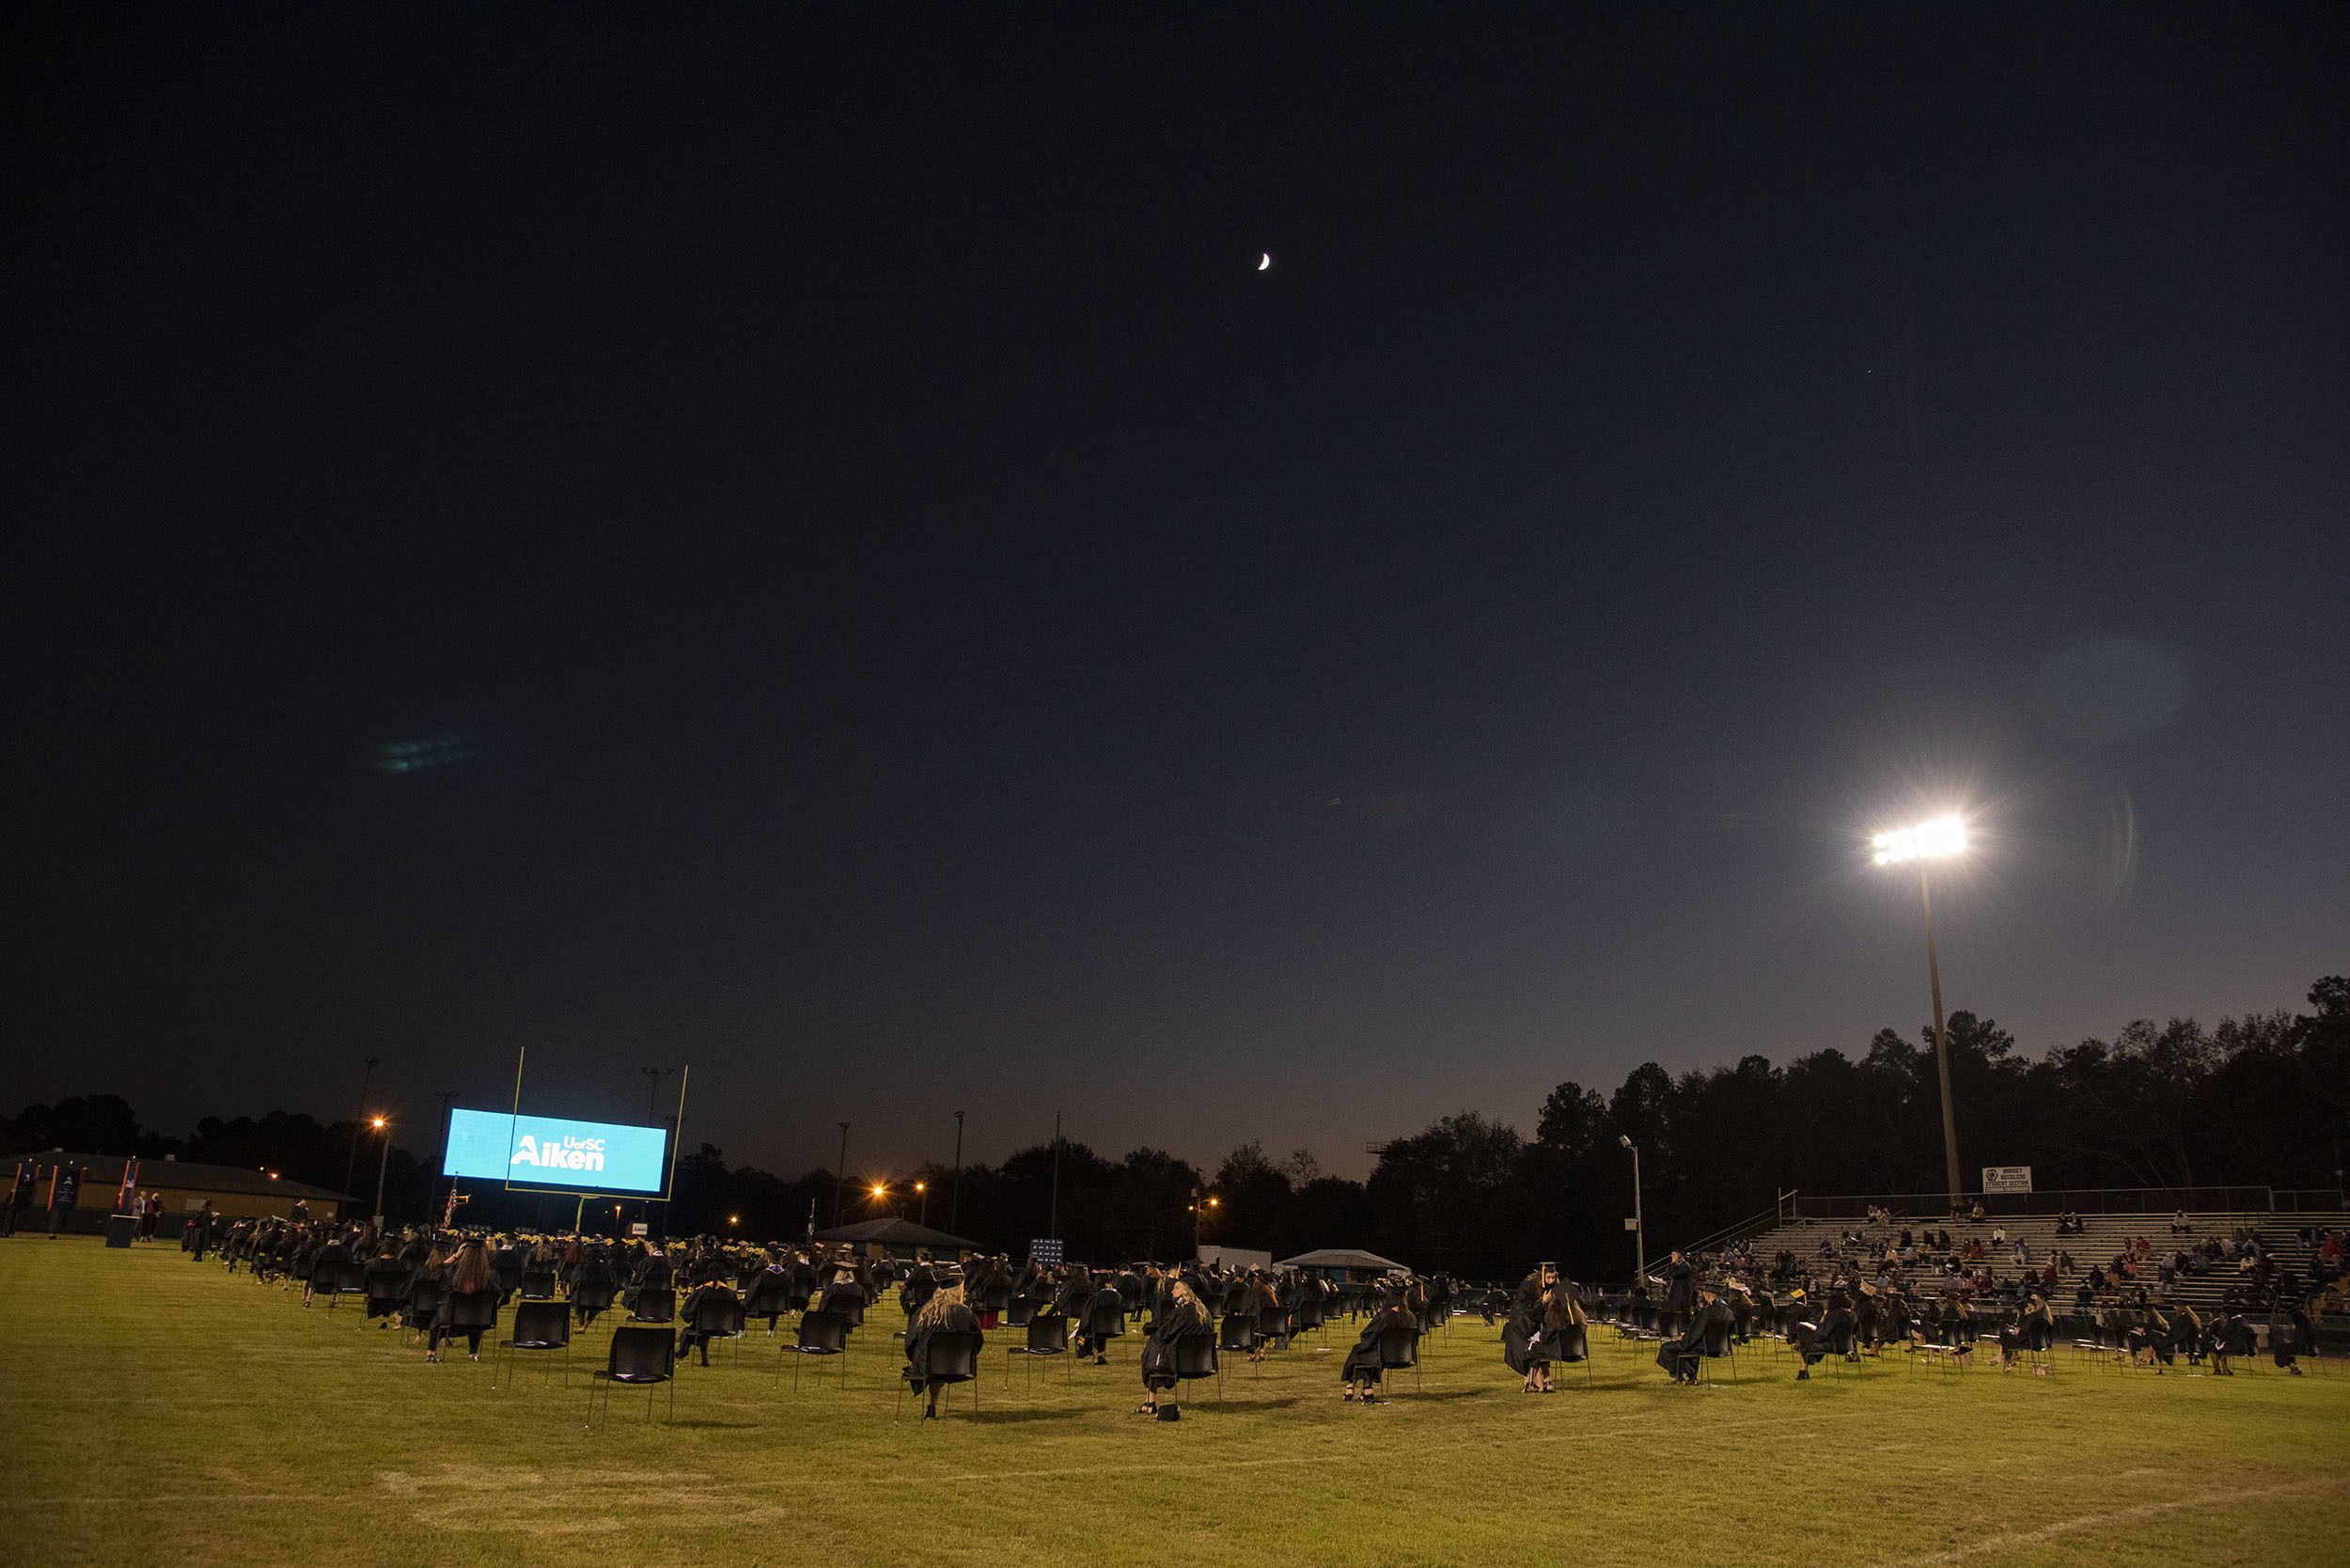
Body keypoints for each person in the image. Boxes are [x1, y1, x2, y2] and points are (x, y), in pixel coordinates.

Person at [1137, 1278, 1212, 1420]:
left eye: (1176, 1288)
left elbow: (1163, 1333)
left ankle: (1149, 1402)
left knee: (1153, 1349)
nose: (1172, 1291)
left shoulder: (1182, 1312)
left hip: (1181, 1363)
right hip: (1203, 1363)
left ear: (1186, 1291)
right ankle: (1149, 1402)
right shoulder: (1204, 1312)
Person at [902, 1282, 979, 1419]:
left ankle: (932, 1406)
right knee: (939, 1359)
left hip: (927, 1363)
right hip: (958, 1365)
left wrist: (915, 1360)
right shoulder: (965, 1313)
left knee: (934, 1359)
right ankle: (932, 1405)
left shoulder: (925, 1310)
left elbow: (910, 1340)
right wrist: (965, 1357)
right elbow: (977, 1339)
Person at [1340, 1285, 1417, 1403]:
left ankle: (1352, 1387)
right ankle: (1367, 1388)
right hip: (1405, 1357)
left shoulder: (1384, 1316)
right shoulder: (1411, 1317)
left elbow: (1366, 1334)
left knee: (1360, 1351)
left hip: (1384, 1357)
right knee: (1370, 1354)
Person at [431, 1238, 500, 1363]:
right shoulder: (491, 1275)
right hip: (480, 1320)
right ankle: (473, 1353)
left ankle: (431, 1353)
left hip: (453, 1319)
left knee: (438, 1316)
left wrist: (455, 1257)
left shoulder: (454, 1271)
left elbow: (435, 1272)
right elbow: (497, 1293)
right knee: (476, 1309)